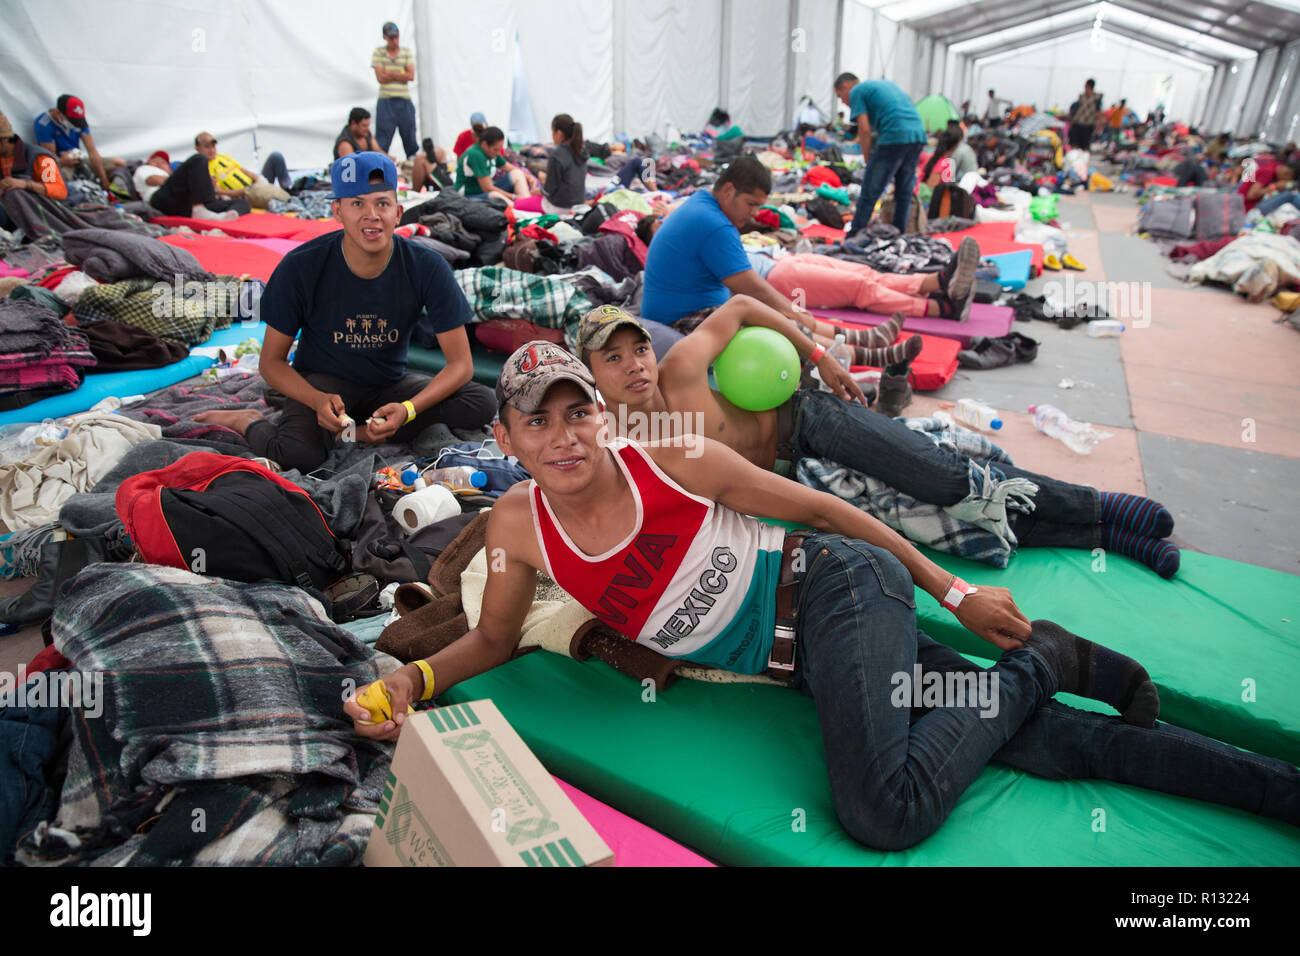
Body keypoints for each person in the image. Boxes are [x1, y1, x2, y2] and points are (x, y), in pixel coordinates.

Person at [344, 338, 1298, 852]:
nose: (564, 438)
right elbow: (499, 637)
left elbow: (832, 514)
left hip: (841, 592)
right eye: (536, 423)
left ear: (599, 415)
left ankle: (1043, 658)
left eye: (575, 413)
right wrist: (411, 684)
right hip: (814, 665)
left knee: (883, 811)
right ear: (504, 439)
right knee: (1055, 743)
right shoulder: (517, 526)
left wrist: (954, 589)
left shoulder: (676, 460)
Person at [577, 304, 1182, 578]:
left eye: (638, 348)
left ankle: (1105, 505)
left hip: (806, 418)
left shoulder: (682, 367)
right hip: (794, 482)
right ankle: (1107, 536)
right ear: (593, 378)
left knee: (942, 476)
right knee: (944, 522)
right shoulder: (627, 450)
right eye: (614, 358)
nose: (635, 364)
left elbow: (739, 307)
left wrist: (820, 356)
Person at [191, 153, 497, 472]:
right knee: (298, 455)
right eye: (357, 204)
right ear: (337, 211)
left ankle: (357, 434)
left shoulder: (426, 266)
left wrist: (408, 408)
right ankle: (249, 421)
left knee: (481, 402)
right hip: (325, 390)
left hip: (388, 385)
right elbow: (271, 363)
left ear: (398, 212)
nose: (371, 215)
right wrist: (314, 400)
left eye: (382, 204)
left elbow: (461, 364)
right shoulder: (302, 266)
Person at [641, 156, 974, 366]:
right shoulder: (712, 222)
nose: (754, 214)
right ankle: (868, 353)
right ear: (727, 190)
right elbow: (750, 288)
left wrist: (789, 309)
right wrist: (790, 309)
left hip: (703, 304)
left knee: (856, 277)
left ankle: (866, 337)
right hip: (684, 319)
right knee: (785, 316)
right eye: (751, 204)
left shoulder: (703, 206)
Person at [834, 73, 929, 235]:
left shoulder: (856, 91)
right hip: (917, 135)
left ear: (845, 87)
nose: (843, 102)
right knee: (904, 190)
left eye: (840, 97)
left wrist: (867, 159)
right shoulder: (881, 85)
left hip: (895, 135)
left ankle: (855, 234)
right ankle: (898, 232)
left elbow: (864, 130)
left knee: (870, 189)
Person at [32, 94, 122, 193]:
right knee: (58, 181)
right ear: (58, 113)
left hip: (78, 159)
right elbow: (50, 159)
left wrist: (105, 181)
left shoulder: (79, 120)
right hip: (61, 164)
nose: (75, 124)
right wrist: (62, 161)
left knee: (119, 163)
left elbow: (92, 152)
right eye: (72, 121)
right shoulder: (43, 124)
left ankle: (106, 187)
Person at [147, 133, 245, 220]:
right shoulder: (144, 170)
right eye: (155, 161)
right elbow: (153, 180)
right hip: (163, 199)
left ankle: (226, 217)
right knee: (199, 159)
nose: (159, 164)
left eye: (163, 162)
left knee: (243, 203)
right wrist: (200, 180)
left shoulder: (223, 159)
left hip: (190, 204)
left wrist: (206, 184)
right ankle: (200, 209)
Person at [0, 109, 69, 229]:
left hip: (37, 212)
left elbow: (60, 190)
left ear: (4, 139)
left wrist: (25, 184)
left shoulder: (40, 157)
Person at [372, 21, 417, 158]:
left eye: (396, 37)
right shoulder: (379, 52)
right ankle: (379, 165)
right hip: (386, 100)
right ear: (385, 37)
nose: (394, 40)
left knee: (409, 135)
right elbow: (380, 77)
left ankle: (413, 163)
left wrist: (390, 73)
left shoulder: (406, 52)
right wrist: (401, 74)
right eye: (391, 38)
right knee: (383, 138)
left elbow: (410, 76)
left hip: (404, 100)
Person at [455, 126, 533, 202]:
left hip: (483, 191)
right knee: (496, 195)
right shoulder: (476, 155)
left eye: (500, 149)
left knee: (517, 174)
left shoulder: (491, 153)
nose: (498, 153)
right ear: (484, 144)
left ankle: (527, 202)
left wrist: (527, 177)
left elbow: (508, 167)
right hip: (469, 195)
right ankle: (521, 207)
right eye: (496, 150)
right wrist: (513, 197)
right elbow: (487, 188)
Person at [542, 113, 588, 216]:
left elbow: (549, 189)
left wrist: (541, 189)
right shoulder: (582, 152)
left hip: (560, 207)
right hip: (579, 204)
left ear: (558, 133)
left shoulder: (557, 155)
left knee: (521, 203)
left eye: (552, 131)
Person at [1067, 79, 1102, 151]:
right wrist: (1072, 121)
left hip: (1088, 124)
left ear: (1088, 86)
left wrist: (1099, 124)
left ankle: (1083, 158)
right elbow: (1076, 109)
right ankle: (1074, 157)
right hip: (1078, 122)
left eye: (1085, 86)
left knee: (1085, 145)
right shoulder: (1082, 96)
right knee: (1073, 142)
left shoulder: (1096, 98)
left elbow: (1098, 111)